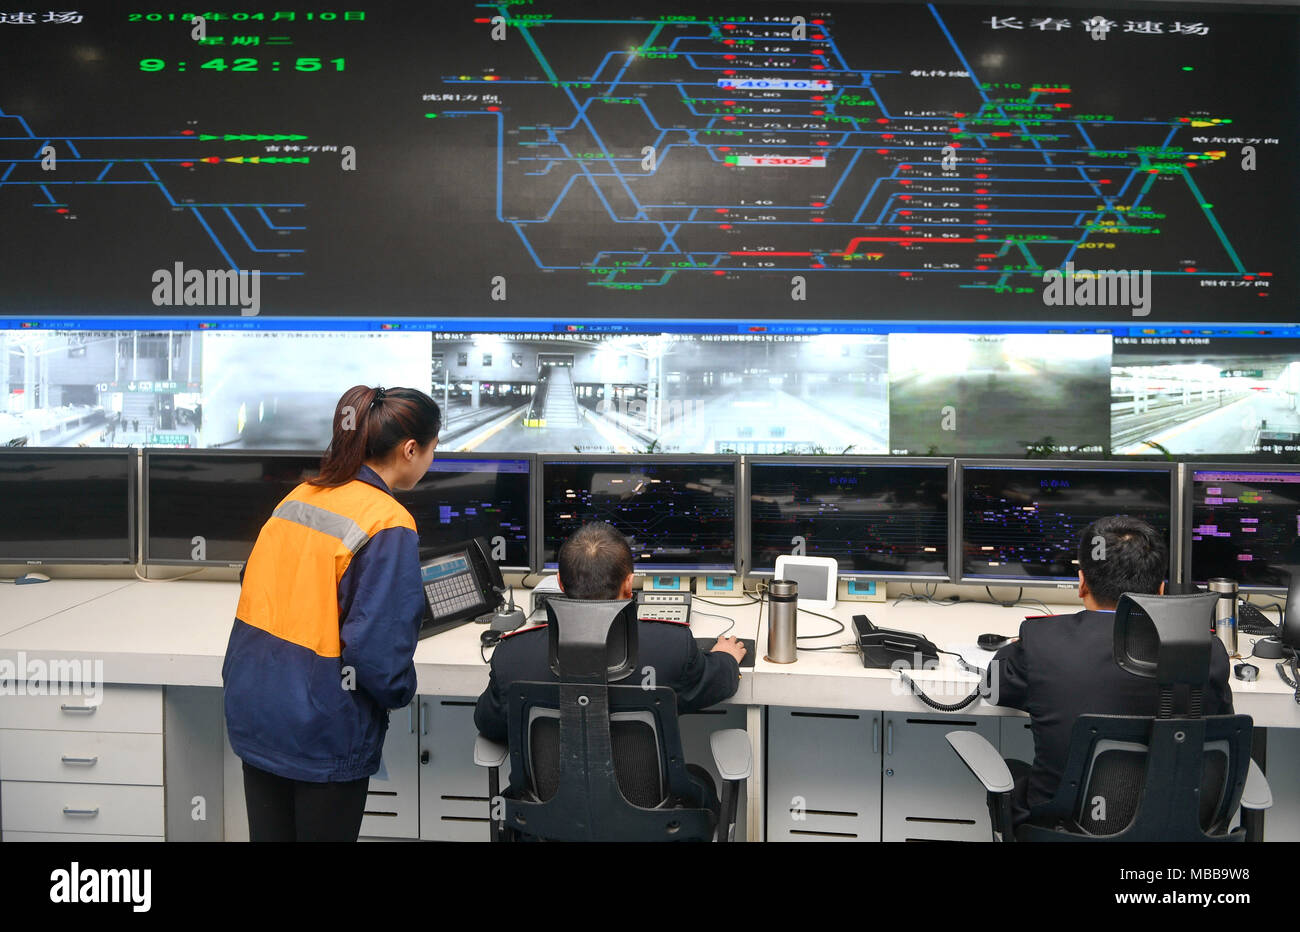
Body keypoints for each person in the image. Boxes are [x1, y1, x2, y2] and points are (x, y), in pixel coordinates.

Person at [223, 385, 441, 841]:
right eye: (433, 449)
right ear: (410, 449)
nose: (431, 461)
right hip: (321, 727)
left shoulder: (301, 496)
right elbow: (377, 657)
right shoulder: (388, 520)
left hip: (257, 707)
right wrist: (402, 691)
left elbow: (257, 579)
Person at [474, 521, 747, 812]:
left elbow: (488, 723)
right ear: (629, 583)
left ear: (560, 583)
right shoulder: (670, 646)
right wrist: (726, 656)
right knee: (700, 778)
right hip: (656, 826)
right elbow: (719, 682)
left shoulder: (513, 655)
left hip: (547, 823)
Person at [983, 515, 1233, 829]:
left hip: (1065, 832)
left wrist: (1021, 652)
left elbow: (991, 687)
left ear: (1082, 583)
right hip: (1176, 829)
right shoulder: (1206, 650)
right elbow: (1223, 722)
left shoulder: (1042, 641)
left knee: (1015, 771)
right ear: (1159, 589)